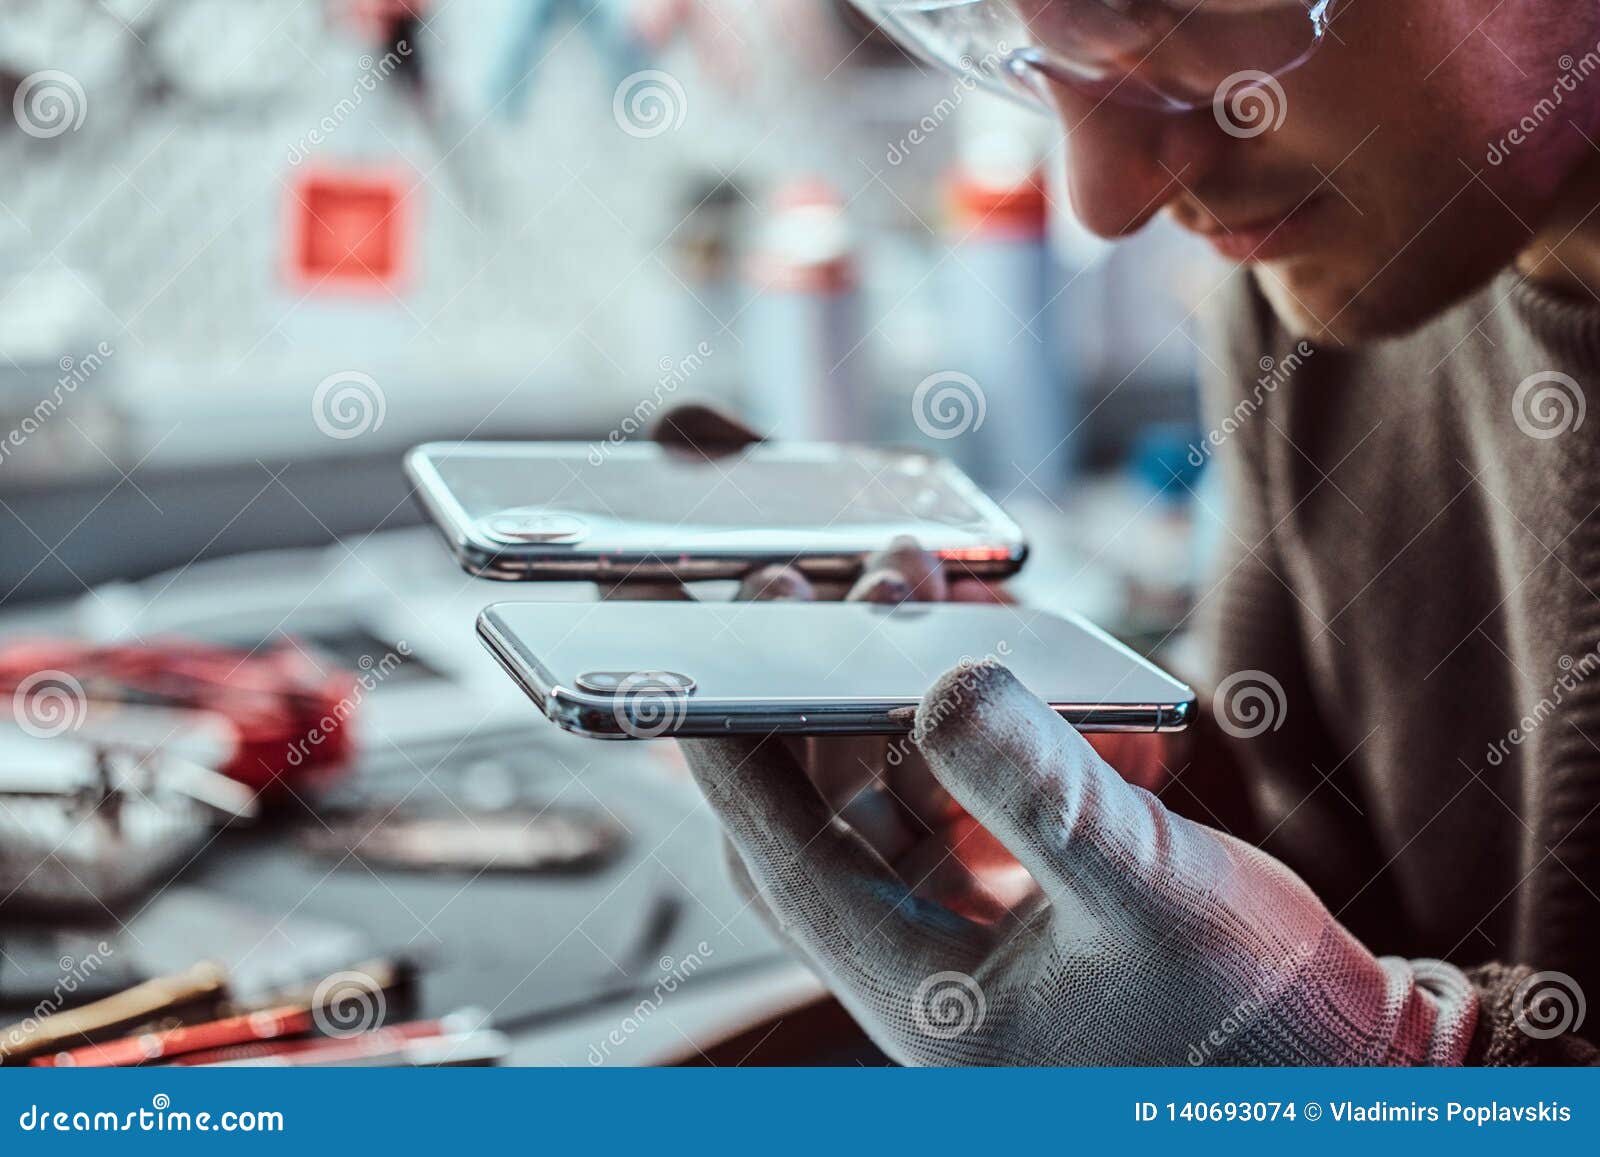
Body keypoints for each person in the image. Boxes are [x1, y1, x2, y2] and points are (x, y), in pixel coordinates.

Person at [664, 0, 1600, 1065]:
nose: (1106, 197)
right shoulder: (1331, 285)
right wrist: (1138, 793)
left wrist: (1396, 1081)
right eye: (1045, 57)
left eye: (1177, 25)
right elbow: (1354, 878)